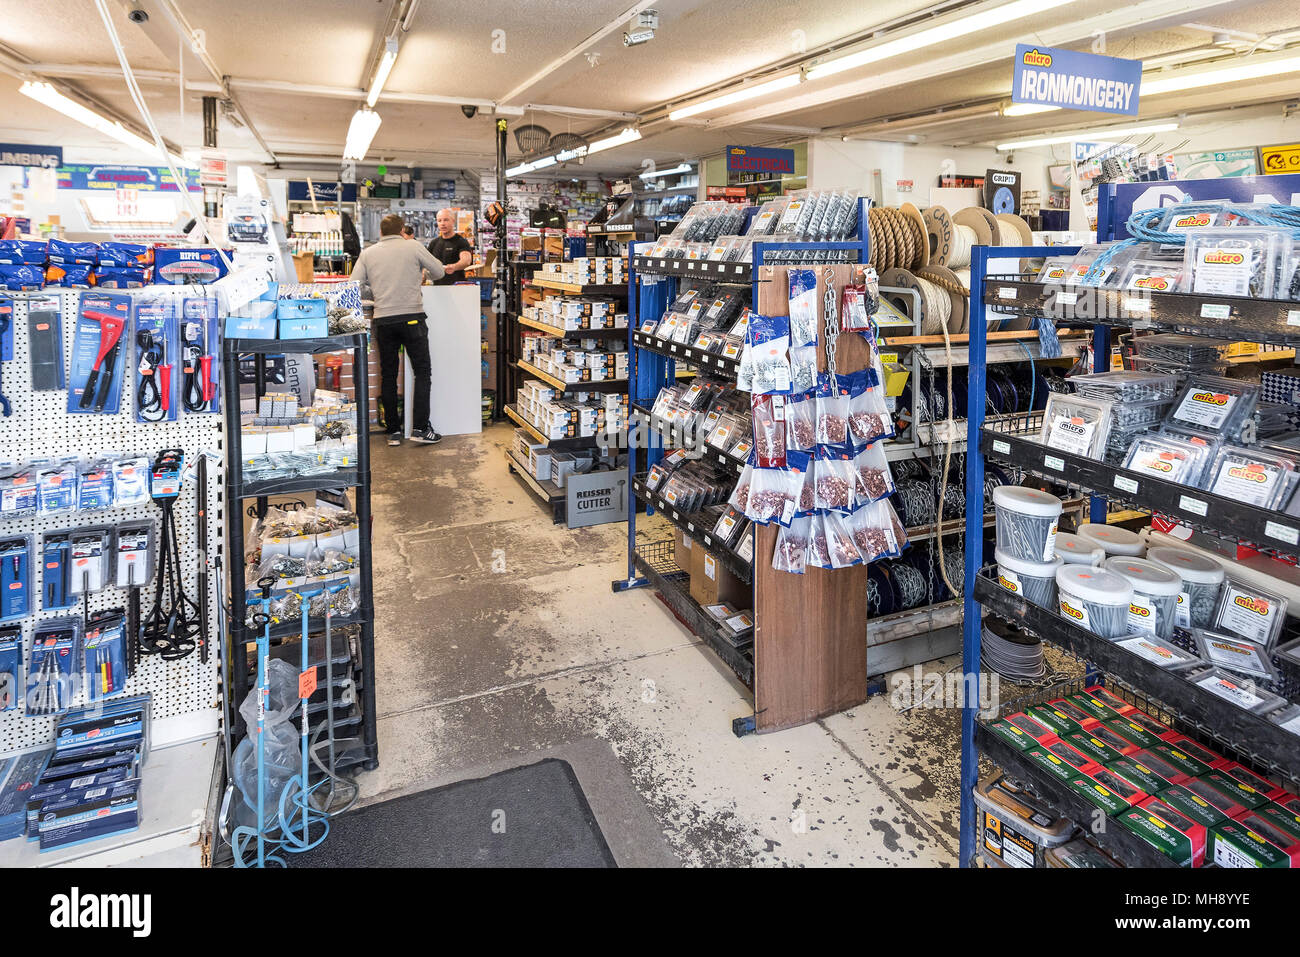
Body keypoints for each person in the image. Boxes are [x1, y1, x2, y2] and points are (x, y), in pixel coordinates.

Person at [349, 213, 445, 446]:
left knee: (389, 375)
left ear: (381, 232)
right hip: (412, 318)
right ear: (402, 230)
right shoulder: (412, 246)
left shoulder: (368, 253)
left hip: (384, 321)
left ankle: (393, 431)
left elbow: (353, 284)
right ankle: (421, 428)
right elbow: (439, 272)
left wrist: (375, 292)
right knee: (422, 372)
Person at [426, 209, 473, 285]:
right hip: (436, 288)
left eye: (446, 220)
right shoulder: (434, 243)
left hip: (456, 287)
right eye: (439, 221)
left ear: (453, 221)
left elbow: (466, 261)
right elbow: (426, 262)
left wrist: (454, 267)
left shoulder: (461, 241)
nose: (442, 223)